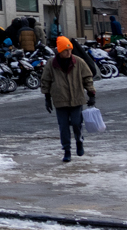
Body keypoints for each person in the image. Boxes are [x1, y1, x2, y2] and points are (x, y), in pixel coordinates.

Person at [40, 35, 97, 163]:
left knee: (77, 123)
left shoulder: (78, 62)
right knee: (63, 127)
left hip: (76, 99)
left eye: (70, 50)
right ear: (60, 51)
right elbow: (45, 81)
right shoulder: (52, 64)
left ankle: (79, 141)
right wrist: (47, 98)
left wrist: (91, 94)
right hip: (60, 100)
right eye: (66, 50)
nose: (69, 52)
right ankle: (67, 150)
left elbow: (87, 78)